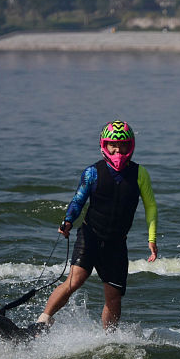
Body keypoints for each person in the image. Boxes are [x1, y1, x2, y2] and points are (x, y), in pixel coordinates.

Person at [32, 120, 158, 334]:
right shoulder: (92, 172)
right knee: (75, 280)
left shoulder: (140, 174)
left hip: (116, 244)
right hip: (90, 236)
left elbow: (151, 207)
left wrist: (152, 238)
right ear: (104, 145)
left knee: (114, 297)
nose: (118, 150)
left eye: (123, 145)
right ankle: (42, 322)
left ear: (131, 146)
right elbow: (78, 199)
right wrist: (68, 220)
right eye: (113, 145)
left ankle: (108, 340)